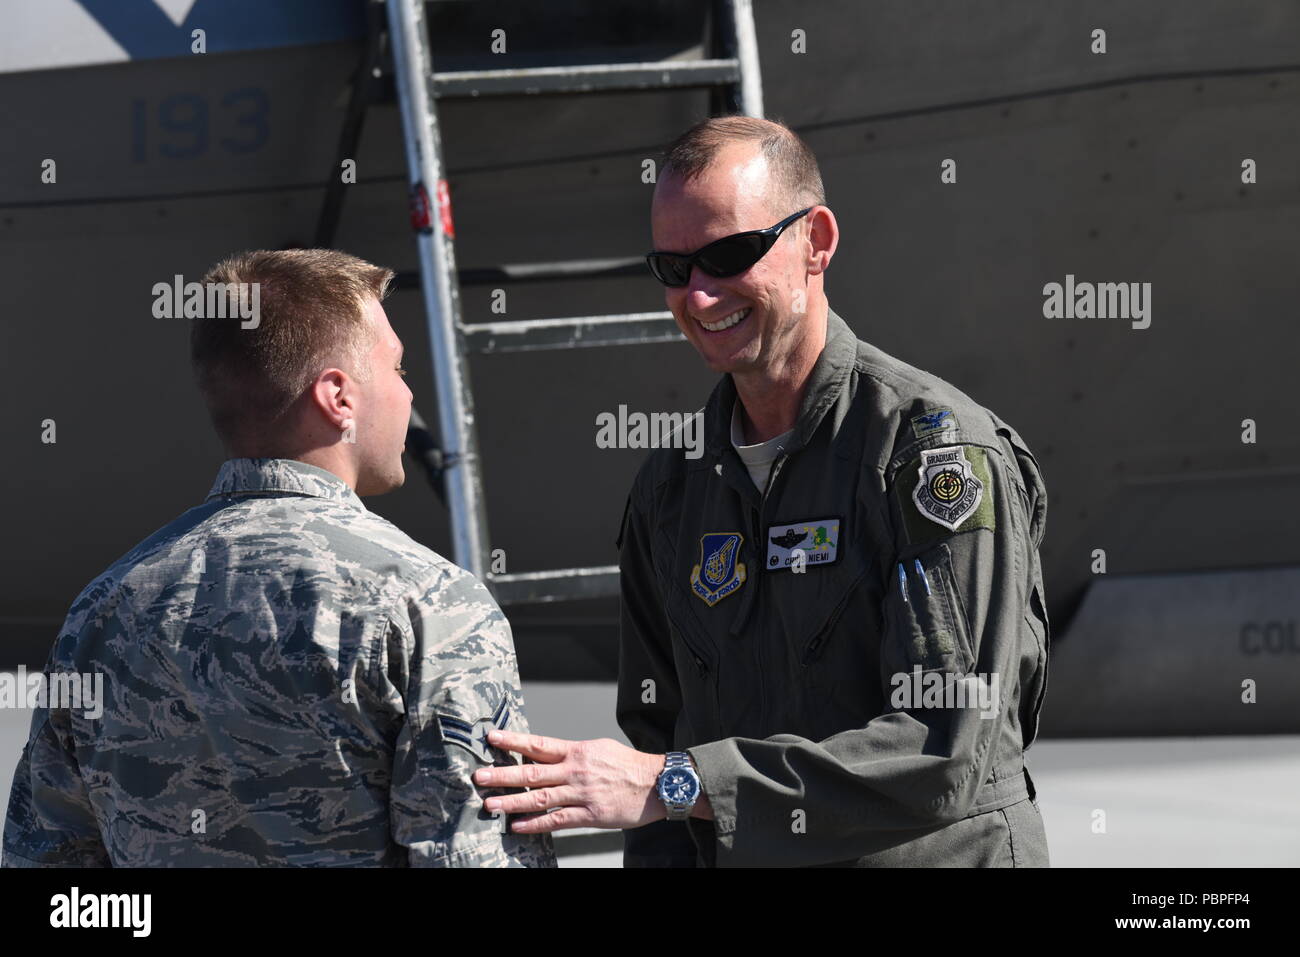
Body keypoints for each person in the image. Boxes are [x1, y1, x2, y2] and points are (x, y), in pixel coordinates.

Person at [472, 116, 1051, 867]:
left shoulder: (930, 456)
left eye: (730, 254)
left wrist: (678, 782)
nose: (702, 296)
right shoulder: (672, 488)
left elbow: (944, 744)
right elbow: (659, 756)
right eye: (674, 269)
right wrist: (668, 786)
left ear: (817, 241)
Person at [2, 249, 555, 868]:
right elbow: (473, 857)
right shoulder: (432, 603)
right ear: (338, 396)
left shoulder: (102, 609)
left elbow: (50, 866)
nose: (406, 396)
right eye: (398, 369)